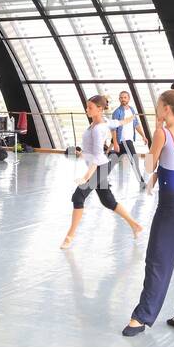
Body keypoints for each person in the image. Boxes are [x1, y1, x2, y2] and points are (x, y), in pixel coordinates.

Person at [123, 88, 174, 336]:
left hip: (173, 205)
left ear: (166, 108)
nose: (157, 109)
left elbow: (148, 164)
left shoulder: (162, 133)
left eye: (158, 105)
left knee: (158, 258)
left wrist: (153, 162)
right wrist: (160, 174)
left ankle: (141, 317)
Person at [62, 95, 142, 249]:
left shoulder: (99, 129)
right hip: (99, 166)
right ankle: (135, 225)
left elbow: (98, 157)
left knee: (78, 196)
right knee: (107, 201)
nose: (87, 110)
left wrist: (86, 177)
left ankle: (69, 236)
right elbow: (117, 123)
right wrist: (128, 119)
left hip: (100, 167)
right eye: (87, 107)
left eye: (90, 107)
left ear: (100, 109)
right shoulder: (101, 123)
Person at [110, 90, 146, 188]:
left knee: (111, 163)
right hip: (123, 141)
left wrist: (143, 135)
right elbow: (113, 128)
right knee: (134, 161)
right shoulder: (117, 112)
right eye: (121, 97)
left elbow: (136, 124)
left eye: (125, 97)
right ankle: (142, 184)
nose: (123, 99)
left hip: (128, 140)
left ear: (128, 99)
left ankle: (97, 179)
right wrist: (116, 143)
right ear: (119, 99)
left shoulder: (132, 110)